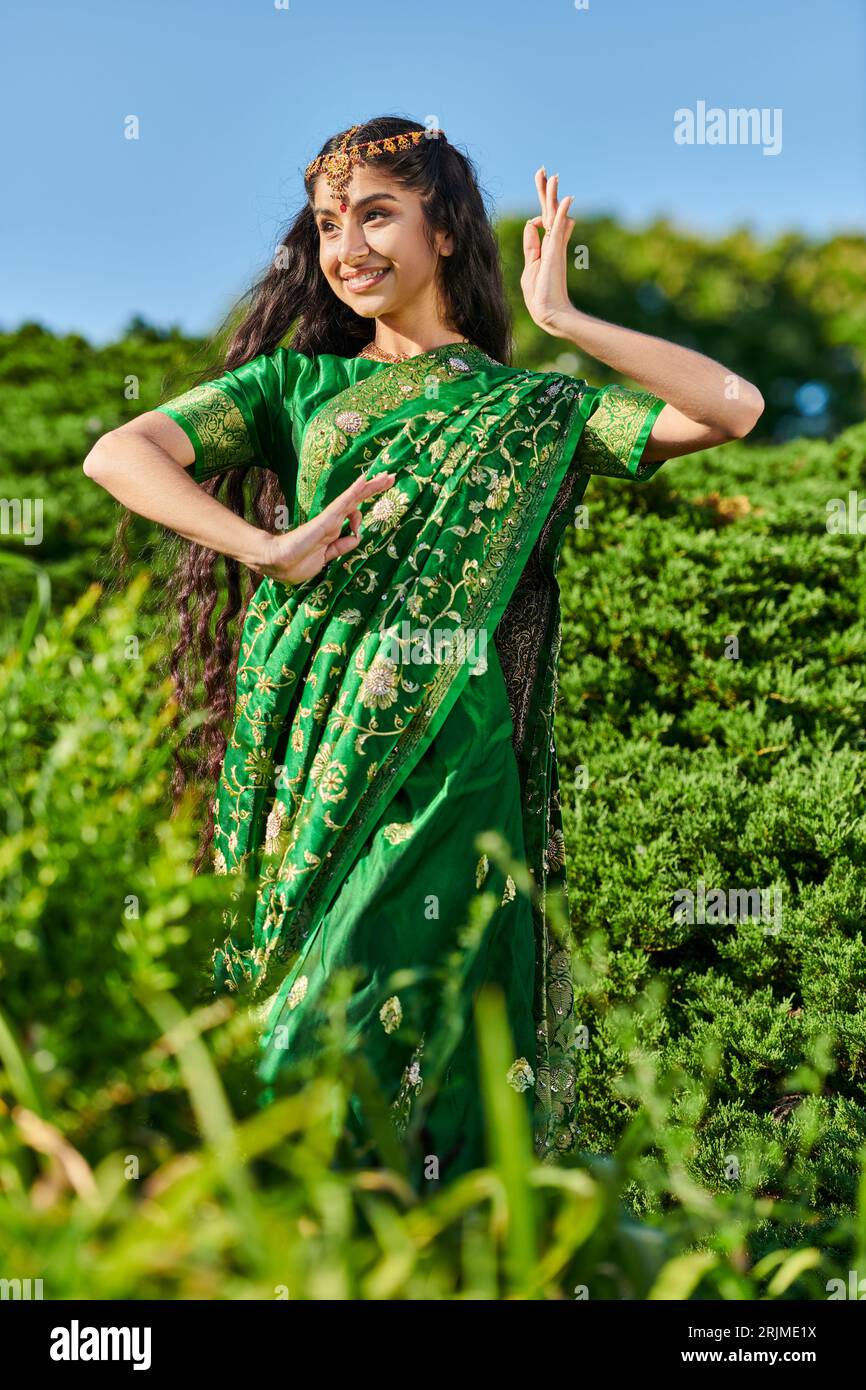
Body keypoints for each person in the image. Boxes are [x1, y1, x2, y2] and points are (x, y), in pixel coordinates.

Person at [83, 116, 764, 1182]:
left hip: (452, 759)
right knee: (281, 1026)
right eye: (324, 224)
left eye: (375, 214)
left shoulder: (534, 407)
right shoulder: (292, 387)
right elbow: (119, 452)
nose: (345, 245)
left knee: (409, 1033)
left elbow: (730, 406)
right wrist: (264, 547)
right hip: (300, 755)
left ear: (444, 230)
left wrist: (560, 315)